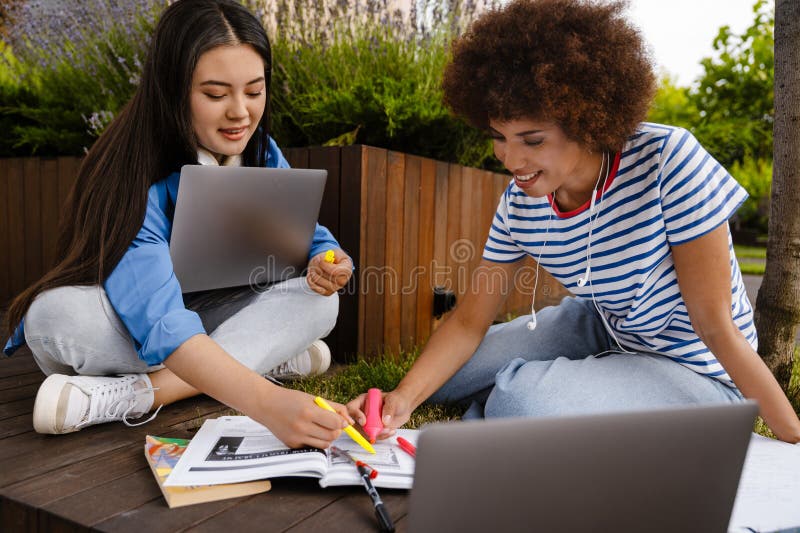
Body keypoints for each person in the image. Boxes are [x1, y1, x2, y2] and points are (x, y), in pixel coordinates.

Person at [348, 0, 800, 443]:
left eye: (533, 140)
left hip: (695, 366)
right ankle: (569, 386)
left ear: (586, 120)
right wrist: (403, 397)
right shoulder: (519, 203)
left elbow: (715, 326)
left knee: (520, 401)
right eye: (498, 138)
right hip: (606, 327)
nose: (511, 159)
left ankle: (540, 391)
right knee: (448, 378)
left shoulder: (668, 162)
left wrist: (791, 433)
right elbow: (468, 322)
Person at [3, 0, 356, 449]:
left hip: (212, 312)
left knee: (321, 303)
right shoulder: (131, 170)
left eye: (254, 91)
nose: (240, 113)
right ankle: (257, 361)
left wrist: (327, 258)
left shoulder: (260, 151)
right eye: (215, 94)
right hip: (133, 321)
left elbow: (301, 230)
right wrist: (268, 402)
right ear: (173, 90)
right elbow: (159, 317)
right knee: (54, 317)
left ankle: (136, 395)